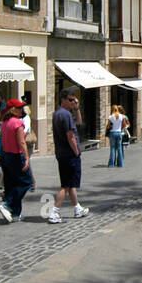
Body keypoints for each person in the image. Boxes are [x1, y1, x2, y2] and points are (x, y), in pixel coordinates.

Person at [50, 89, 90, 223]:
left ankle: (77, 208)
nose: (74, 102)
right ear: (64, 100)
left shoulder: (58, 114)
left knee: (71, 182)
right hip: (69, 154)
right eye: (71, 100)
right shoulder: (65, 115)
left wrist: (77, 108)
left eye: (75, 100)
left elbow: (78, 121)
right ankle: (54, 212)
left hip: (61, 153)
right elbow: (70, 135)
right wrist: (76, 151)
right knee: (66, 184)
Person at [0, 99, 33, 222]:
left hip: (6, 155)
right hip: (16, 156)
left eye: (21, 108)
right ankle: (7, 204)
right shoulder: (18, 123)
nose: (21, 110)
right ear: (12, 110)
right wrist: (27, 158)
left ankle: (16, 213)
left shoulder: (5, 123)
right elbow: (21, 142)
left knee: (12, 184)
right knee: (25, 182)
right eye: (18, 108)